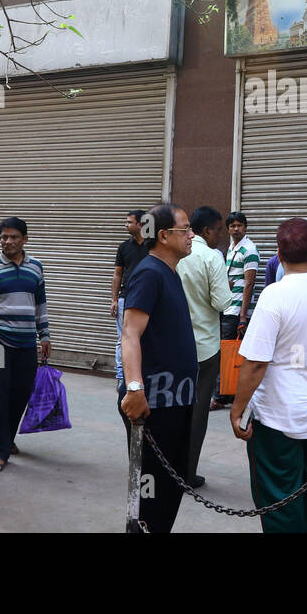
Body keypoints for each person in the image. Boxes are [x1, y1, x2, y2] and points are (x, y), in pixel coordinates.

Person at [231, 218, 307, 534]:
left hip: (276, 419)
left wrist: (236, 410)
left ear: (278, 253)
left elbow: (255, 363)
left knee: (280, 502)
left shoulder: (274, 295)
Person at [119, 204, 198, 534]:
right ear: (163, 235)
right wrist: (135, 389)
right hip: (153, 404)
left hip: (175, 400)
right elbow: (130, 332)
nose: (192, 235)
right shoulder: (150, 272)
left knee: (170, 488)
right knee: (151, 495)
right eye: (185, 229)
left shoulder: (170, 271)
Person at [0, 216, 50, 474]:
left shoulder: (36, 268)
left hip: (26, 341)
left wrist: (45, 335)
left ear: (25, 239)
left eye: (14, 237)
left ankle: (6, 437)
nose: (8, 241)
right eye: (4, 237)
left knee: (20, 393)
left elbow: (40, 303)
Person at [177, 205, 231, 487]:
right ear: (207, 230)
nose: (220, 236)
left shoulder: (174, 254)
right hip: (205, 348)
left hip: (175, 345)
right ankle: (187, 472)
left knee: (175, 406)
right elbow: (222, 302)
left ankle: (168, 467)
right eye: (219, 230)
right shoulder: (211, 257)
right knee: (197, 411)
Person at [212, 211, 259, 410]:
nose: (236, 229)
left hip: (237, 311)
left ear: (245, 227)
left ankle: (220, 396)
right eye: (232, 226)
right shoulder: (232, 247)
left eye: (240, 225)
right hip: (228, 307)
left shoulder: (249, 250)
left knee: (228, 354)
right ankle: (228, 393)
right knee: (229, 353)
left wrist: (242, 317)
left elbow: (249, 284)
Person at [111, 210, 148, 394]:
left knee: (145, 338)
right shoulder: (124, 247)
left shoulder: (152, 246)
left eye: (129, 222)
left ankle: (142, 374)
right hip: (126, 298)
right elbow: (118, 274)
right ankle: (121, 377)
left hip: (147, 299)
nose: (126, 225)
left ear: (141, 224)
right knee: (122, 339)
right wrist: (114, 299)